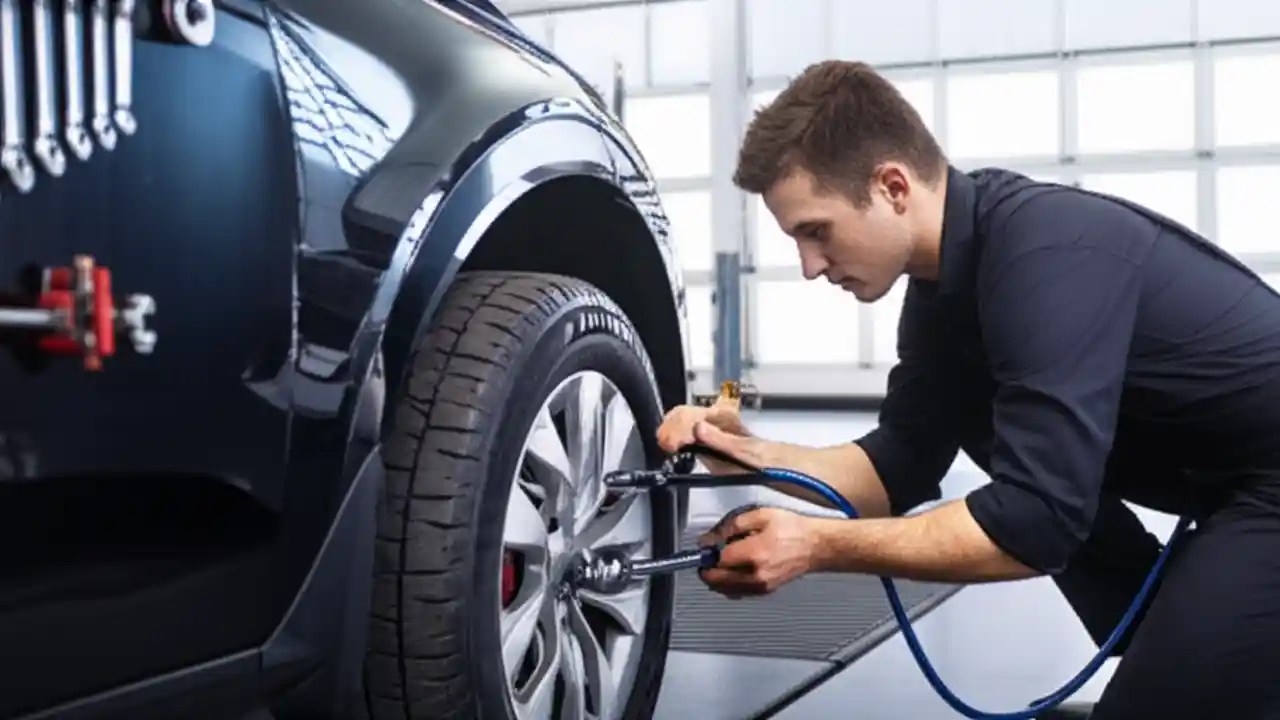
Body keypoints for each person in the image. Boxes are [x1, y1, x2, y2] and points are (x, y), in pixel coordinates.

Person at [657, 59, 1280, 719]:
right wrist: (752, 456)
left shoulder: (1046, 253)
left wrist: (816, 544)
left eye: (817, 231)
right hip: (1228, 487)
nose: (810, 267)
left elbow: (1036, 523)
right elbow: (896, 465)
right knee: (984, 415)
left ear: (892, 185)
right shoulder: (941, 296)